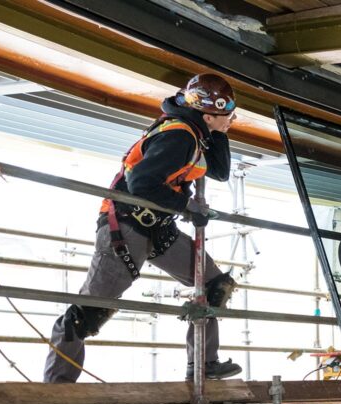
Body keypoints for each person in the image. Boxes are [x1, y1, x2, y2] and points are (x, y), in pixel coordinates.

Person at [44, 73, 242, 383]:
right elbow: (141, 184)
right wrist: (187, 207)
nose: (233, 118)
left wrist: (217, 127)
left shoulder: (195, 132)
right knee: (90, 310)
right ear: (206, 114)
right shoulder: (179, 136)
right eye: (228, 114)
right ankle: (57, 383)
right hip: (126, 225)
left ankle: (203, 364)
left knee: (214, 285)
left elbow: (219, 170)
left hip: (157, 226)